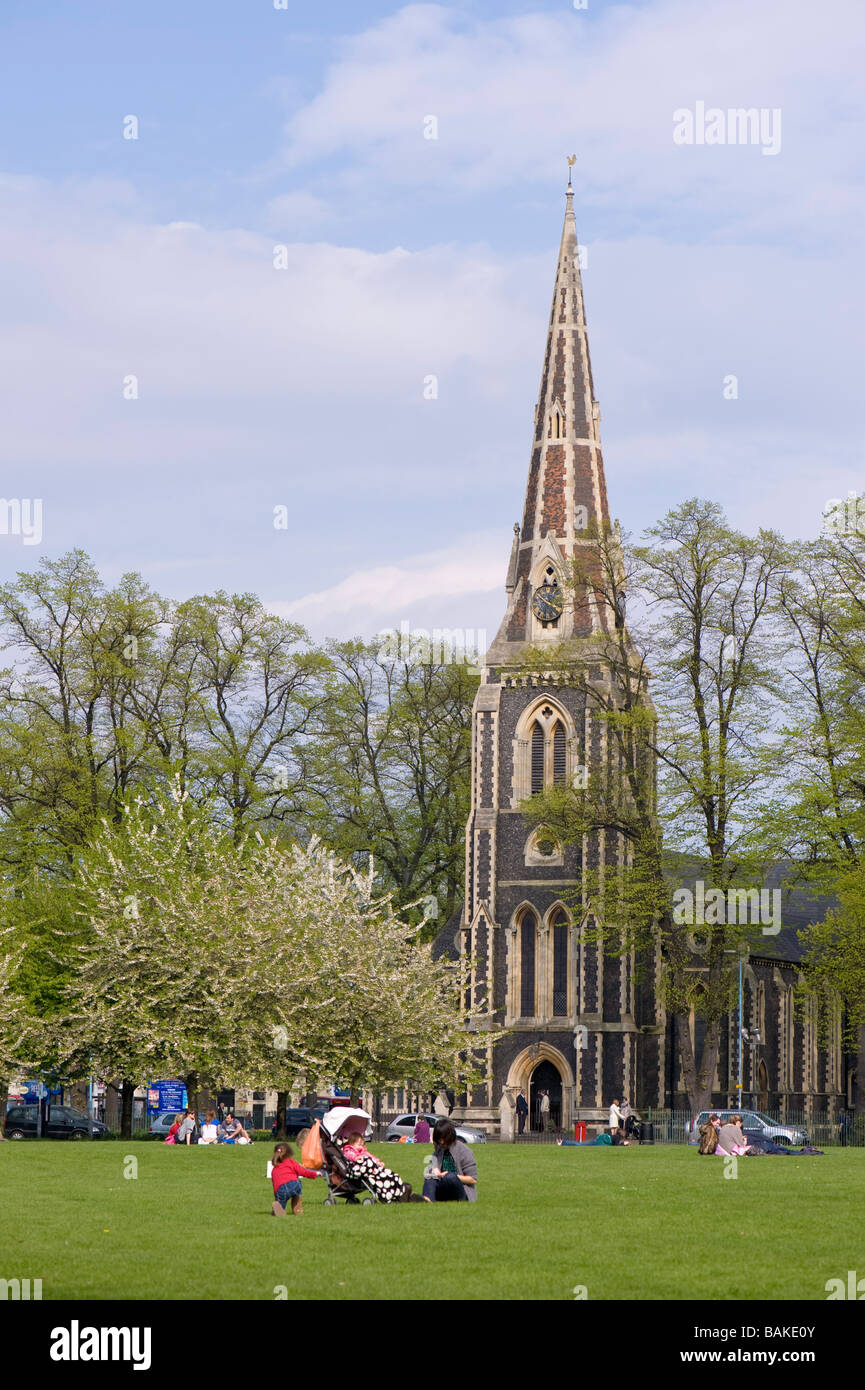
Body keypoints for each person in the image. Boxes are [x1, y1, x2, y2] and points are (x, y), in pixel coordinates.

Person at [339, 1127, 418, 1203]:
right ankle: (389, 1195)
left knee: (389, 1174)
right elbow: (349, 1155)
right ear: (352, 1143)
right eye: (359, 1145)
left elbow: (371, 1157)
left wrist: (378, 1162)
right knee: (379, 1178)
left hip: (371, 1169)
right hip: (360, 1170)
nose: (361, 1147)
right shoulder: (348, 1150)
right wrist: (356, 1158)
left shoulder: (363, 1152)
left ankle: (399, 1191)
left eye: (362, 1145)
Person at [422, 1119, 478, 1202]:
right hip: (443, 1189)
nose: (441, 1142)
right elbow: (432, 1168)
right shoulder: (438, 1150)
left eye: (443, 1138)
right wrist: (433, 1171)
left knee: (450, 1177)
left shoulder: (464, 1151)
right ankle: (427, 1200)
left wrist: (451, 1176)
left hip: (461, 1190)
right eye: (439, 1139)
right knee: (430, 1178)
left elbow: (473, 1179)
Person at [270, 1141, 321, 1216]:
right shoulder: (292, 1162)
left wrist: (277, 1196)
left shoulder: (274, 1169)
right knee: (297, 1191)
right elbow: (303, 1172)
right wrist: (315, 1174)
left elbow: (275, 1184)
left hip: (281, 1189)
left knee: (280, 1203)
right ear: (290, 1153)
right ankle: (297, 1208)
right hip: (294, 1185)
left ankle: (279, 1209)